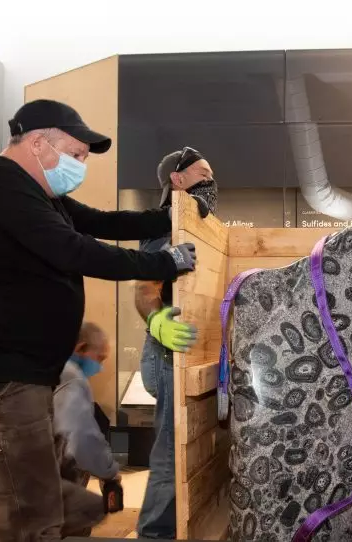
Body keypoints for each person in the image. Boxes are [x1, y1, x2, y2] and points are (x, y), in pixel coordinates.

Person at [0, 99, 197, 542]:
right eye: (76, 154)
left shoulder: (42, 195)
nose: (81, 165)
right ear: (37, 143)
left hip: (20, 375)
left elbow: (103, 222)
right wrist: (163, 263)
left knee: (34, 503)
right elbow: (72, 249)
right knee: (10, 514)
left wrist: (173, 213)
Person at [135, 147, 217, 539]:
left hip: (185, 352)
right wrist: (157, 320)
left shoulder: (197, 227)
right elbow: (145, 289)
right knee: (171, 447)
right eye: (203, 174)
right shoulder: (164, 228)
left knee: (188, 446)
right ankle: (154, 533)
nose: (212, 183)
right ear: (178, 180)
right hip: (168, 351)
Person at [54, 322, 119, 537]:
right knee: (89, 510)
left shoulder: (49, 366)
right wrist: (109, 473)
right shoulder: (71, 377)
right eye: (99, 358)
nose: (100, 368)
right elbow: (82, 439)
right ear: (80, 348)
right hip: (42, 478)